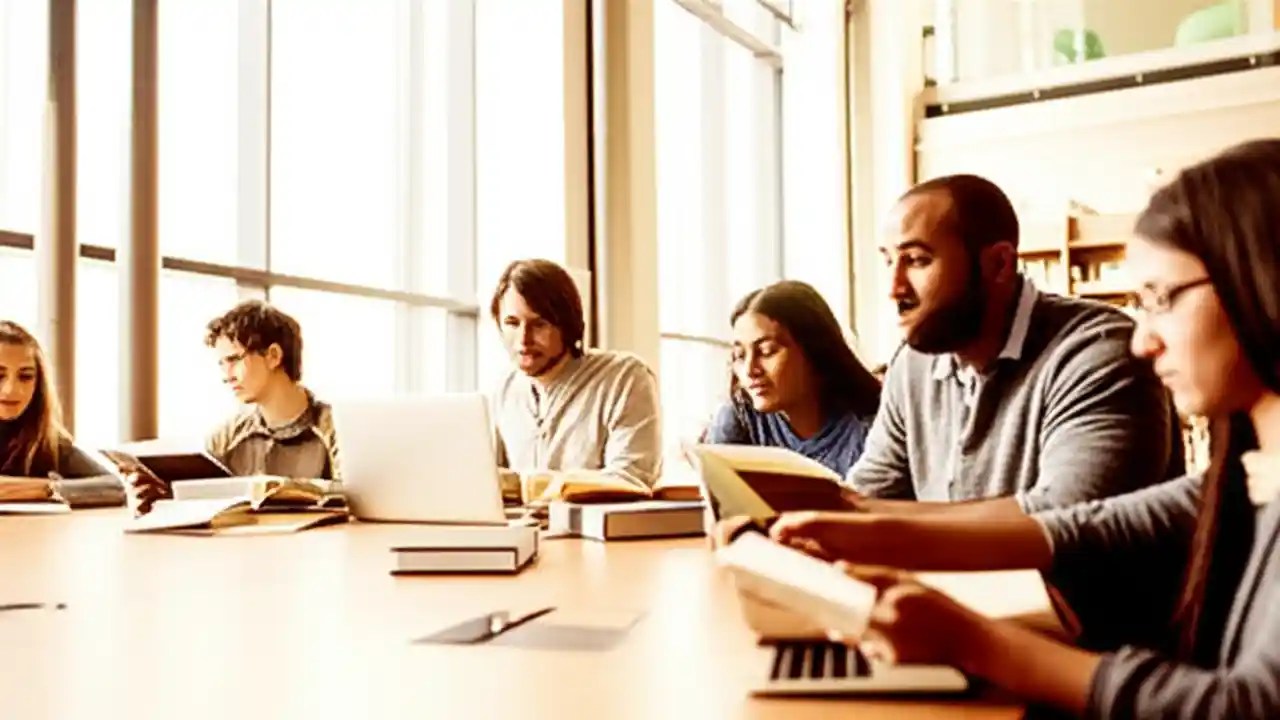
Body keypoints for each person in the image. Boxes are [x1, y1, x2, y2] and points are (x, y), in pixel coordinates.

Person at [761, 139, 1280, 718]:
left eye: (1161, 299)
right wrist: (847, 526)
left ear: (1261, 281)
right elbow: (1083, 527)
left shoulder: (1097, 350)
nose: (1143, 338)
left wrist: (969, 640)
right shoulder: (1247, 471)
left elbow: (1246, 707)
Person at [846, 173, 1180, 519]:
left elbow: (1068, 522)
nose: (893, 287)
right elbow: (866, 496)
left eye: (916, 260)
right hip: (944, 576)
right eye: (888, 261)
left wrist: (872, 518)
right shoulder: (911, 365)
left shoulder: (1100, 351)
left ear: (999, 264)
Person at [129, 300, 338, 513]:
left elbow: (356, 499)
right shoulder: (226, 437)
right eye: (221, 364)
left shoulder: (337, 429)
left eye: (233, 360)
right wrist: (161, 499)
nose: (226, 376)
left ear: (273, 356)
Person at [490, 258, 661, 489]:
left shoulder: (625, 378)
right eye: (512, 323)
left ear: (567, 324)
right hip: (523, 525)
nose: (523, 340)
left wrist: (529, 484)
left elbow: (631, 479)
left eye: (539, 324)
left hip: (593, 525)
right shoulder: (505, 389)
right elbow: (488, 482)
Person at [705, 280, 880, 477]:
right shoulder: (739, 417)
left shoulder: (870, 427)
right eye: (739, 355)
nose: (750, 370)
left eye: (766, 351)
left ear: (814, 350)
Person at [0, 320, 124, 508]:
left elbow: (116, 488)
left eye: (25, 377)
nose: (11, 390)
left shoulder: (44, 441)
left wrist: (41, 489)